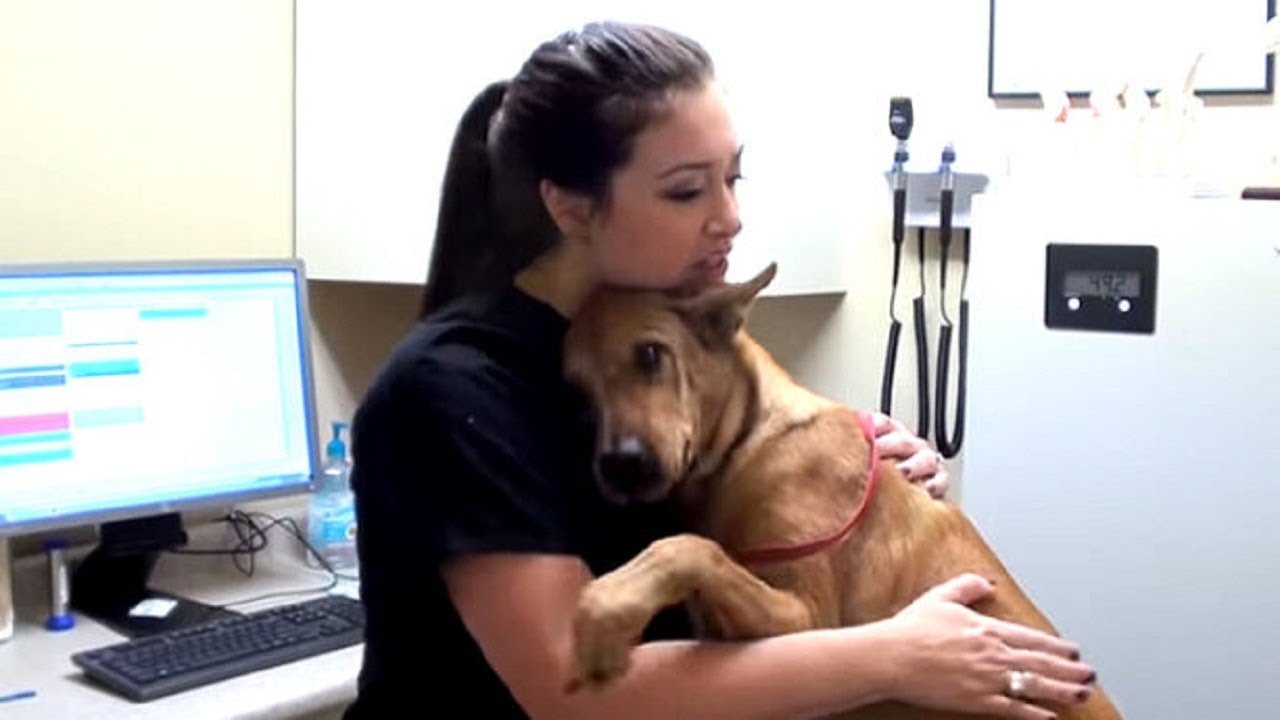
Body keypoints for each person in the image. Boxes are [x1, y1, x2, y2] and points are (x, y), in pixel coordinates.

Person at [344, 21, 1095, 720]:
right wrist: (894, 657)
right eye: (686, 189)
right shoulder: (453, 386)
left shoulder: (661, 340)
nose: (730, 217)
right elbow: (571, 689)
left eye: (734, 178)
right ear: (571, 210)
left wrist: (856, 479)